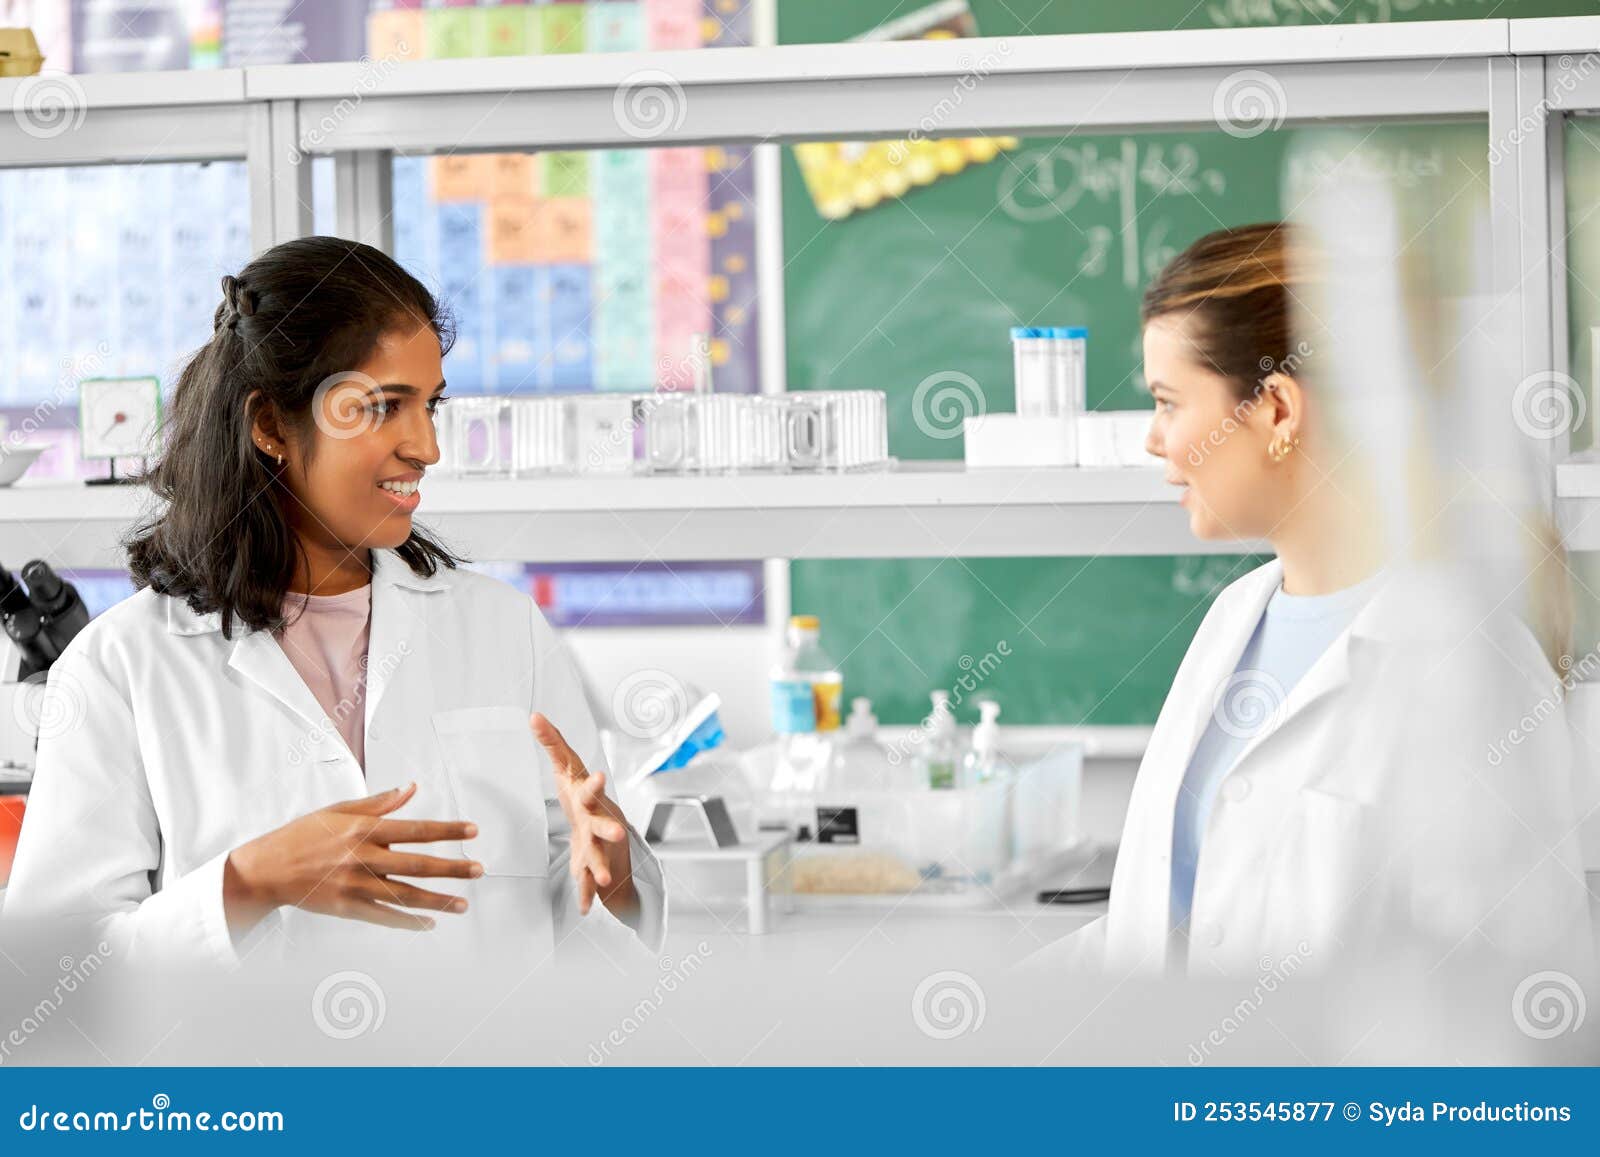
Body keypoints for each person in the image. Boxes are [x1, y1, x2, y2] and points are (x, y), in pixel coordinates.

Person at [2, 237, 664, 969]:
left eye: (430, 405)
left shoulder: (502, 630)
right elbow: (51, 977)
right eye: (382, 406)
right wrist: (248, 882)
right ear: (270, 425)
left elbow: (585, 932)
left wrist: (619, 877)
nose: (427, 447)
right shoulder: (121, 667)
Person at [1064, 223, 1592, 988]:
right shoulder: (1235, 619)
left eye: (1169, 402)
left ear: (1277, 408)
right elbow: (1162, 920)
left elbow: (1514, 1006)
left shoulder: (1468, 661)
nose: (1154, 440)